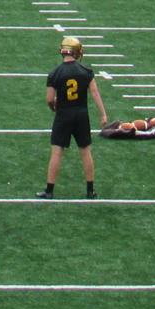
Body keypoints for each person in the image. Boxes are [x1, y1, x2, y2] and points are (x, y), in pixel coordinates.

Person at [40, 36, 108, 199]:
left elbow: (49, 99)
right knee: (85, 152)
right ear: (77, 52)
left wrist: (53, 107)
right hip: (81, 114)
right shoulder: (86, 71)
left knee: (57, 152)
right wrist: (103, 113)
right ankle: (90, 190)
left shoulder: (55, 73)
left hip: (63, 114)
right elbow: (94, 92)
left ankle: (49, 190)